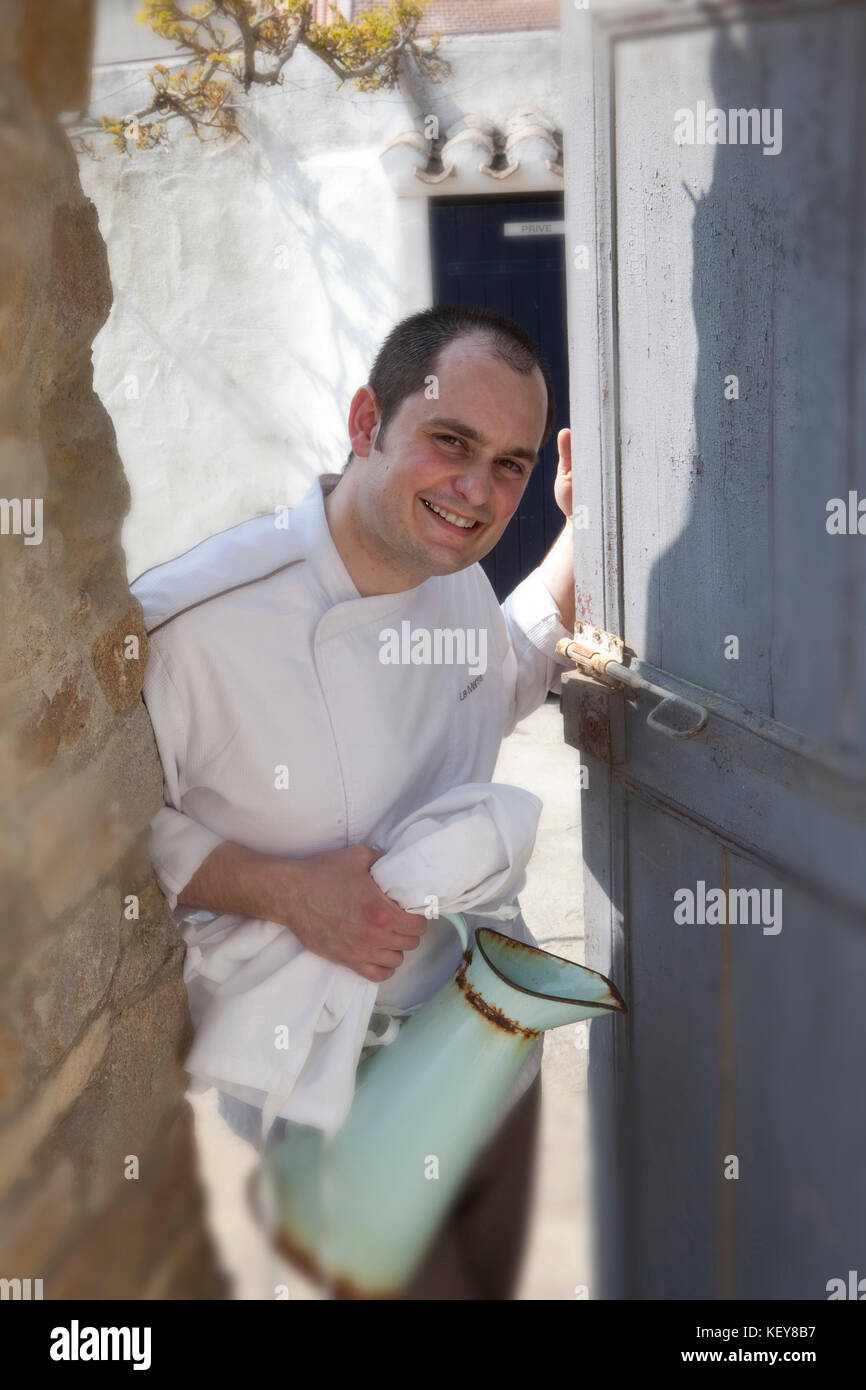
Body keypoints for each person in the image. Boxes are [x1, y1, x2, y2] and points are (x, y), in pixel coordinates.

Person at [135, 304, 577, 1299]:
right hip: (322, 1096)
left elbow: (492, 679)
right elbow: (82, 827)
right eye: (449, 442)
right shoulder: (194, 622)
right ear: (366, 417)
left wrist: (583, 530)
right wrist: (279, 890)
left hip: (478, 1041)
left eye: (508, 464)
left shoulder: (450, 576)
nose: (476, 491)